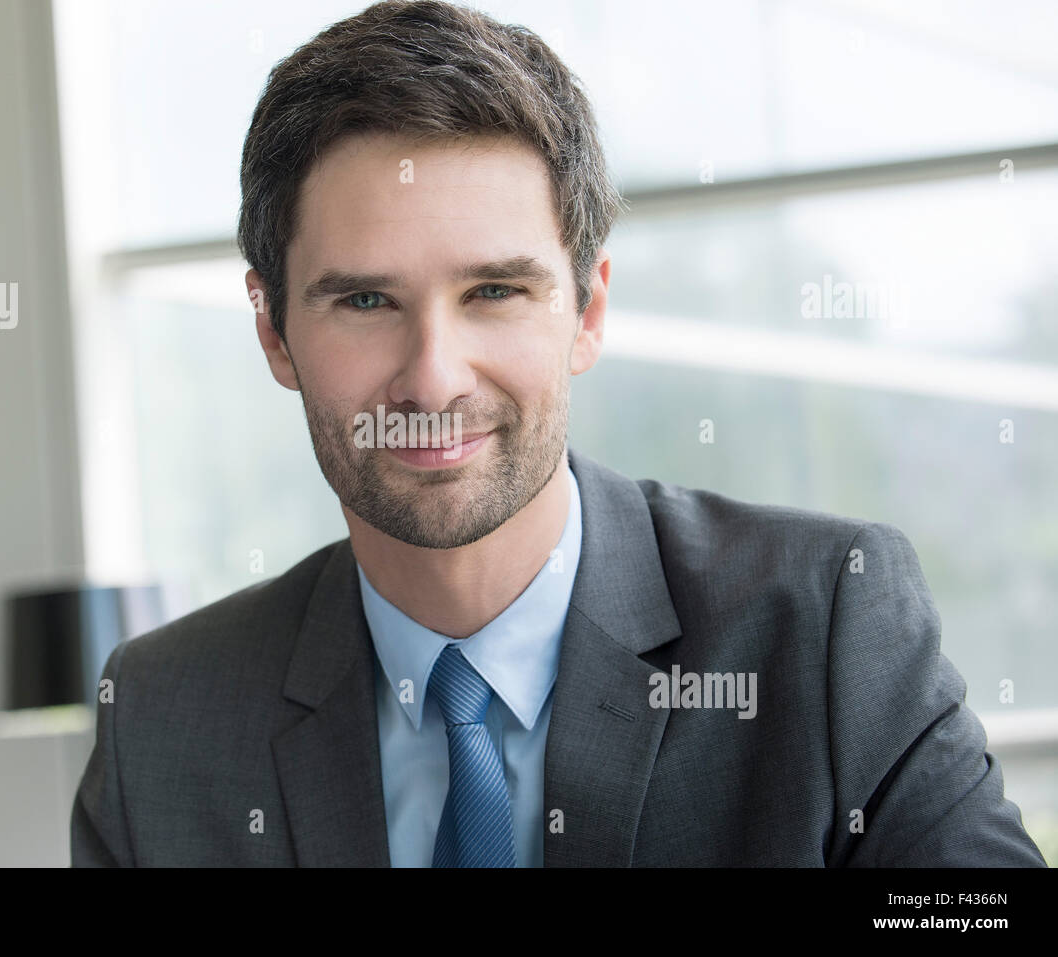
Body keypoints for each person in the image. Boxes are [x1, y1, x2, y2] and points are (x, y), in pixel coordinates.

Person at [71, 0, 1045, 867]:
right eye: (365, 300)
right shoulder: (165, 717)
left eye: (494, 291)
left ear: (585, 312)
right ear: (274, 335)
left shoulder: (826, 628)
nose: (434, 376)